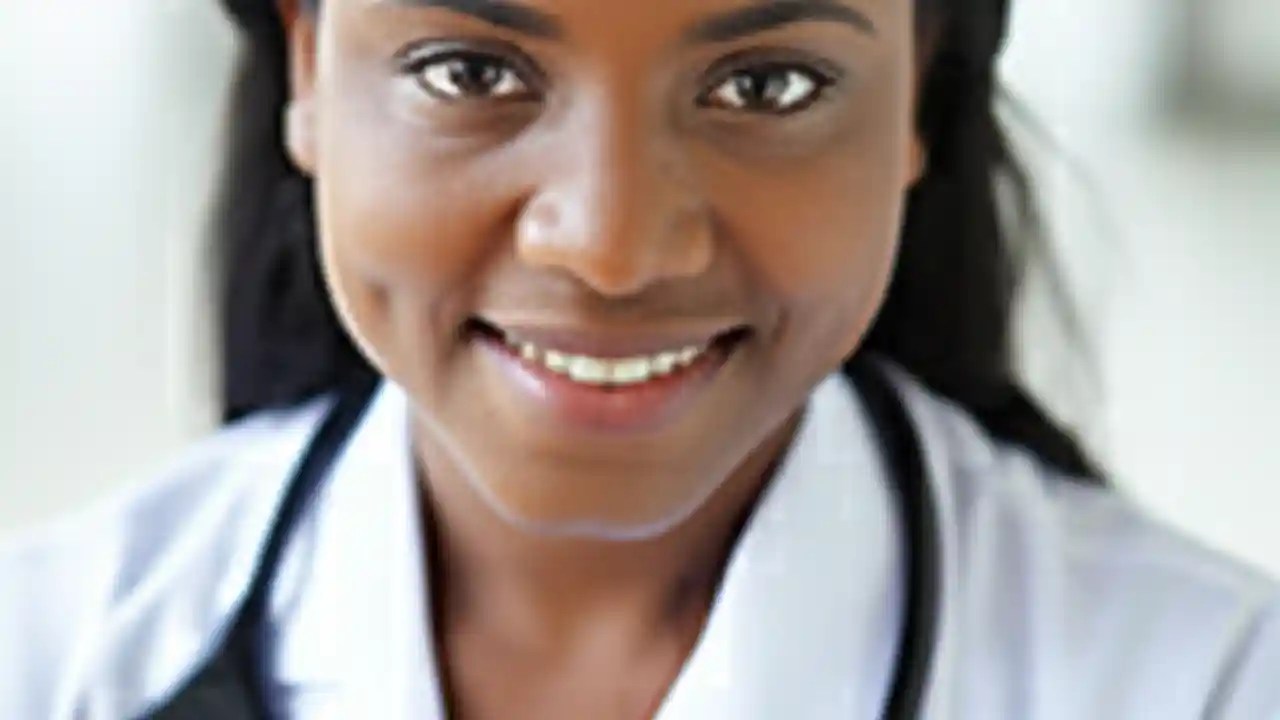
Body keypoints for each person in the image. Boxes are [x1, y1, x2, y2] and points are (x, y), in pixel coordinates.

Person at [2, 0, 1277, 717]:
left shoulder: (1204, 684)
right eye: (469, 69)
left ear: (916, 101)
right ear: (305, 63)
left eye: (766, 87)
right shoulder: (47, 660)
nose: (611, 245)